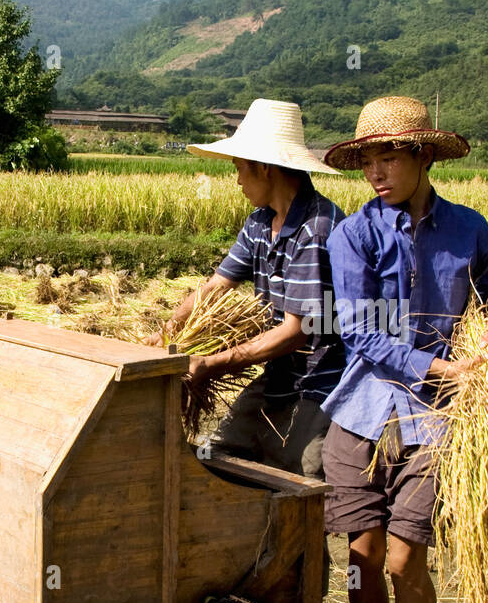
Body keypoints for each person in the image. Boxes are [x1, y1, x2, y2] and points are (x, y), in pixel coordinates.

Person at [319, 96, 488, 603]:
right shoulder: (354, 235)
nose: (376, 171)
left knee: (406, 560)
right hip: (362, 412)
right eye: (367, 160)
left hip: (433, 422)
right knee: (363, 555)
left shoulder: (469, 229)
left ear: (424, 156)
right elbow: (359, 332)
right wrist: (437, 368)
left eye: (390, 156)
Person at [145, 99, 345, 477]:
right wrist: (171, 331)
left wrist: (213, 363)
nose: (237, 180)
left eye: (240, 169)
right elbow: (216, 286)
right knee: (216, 460)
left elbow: (296, 332)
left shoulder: (316, 228)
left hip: (319, 385)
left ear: (265, 168)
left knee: (301, 486)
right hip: (277, 377)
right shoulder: (260, 222)